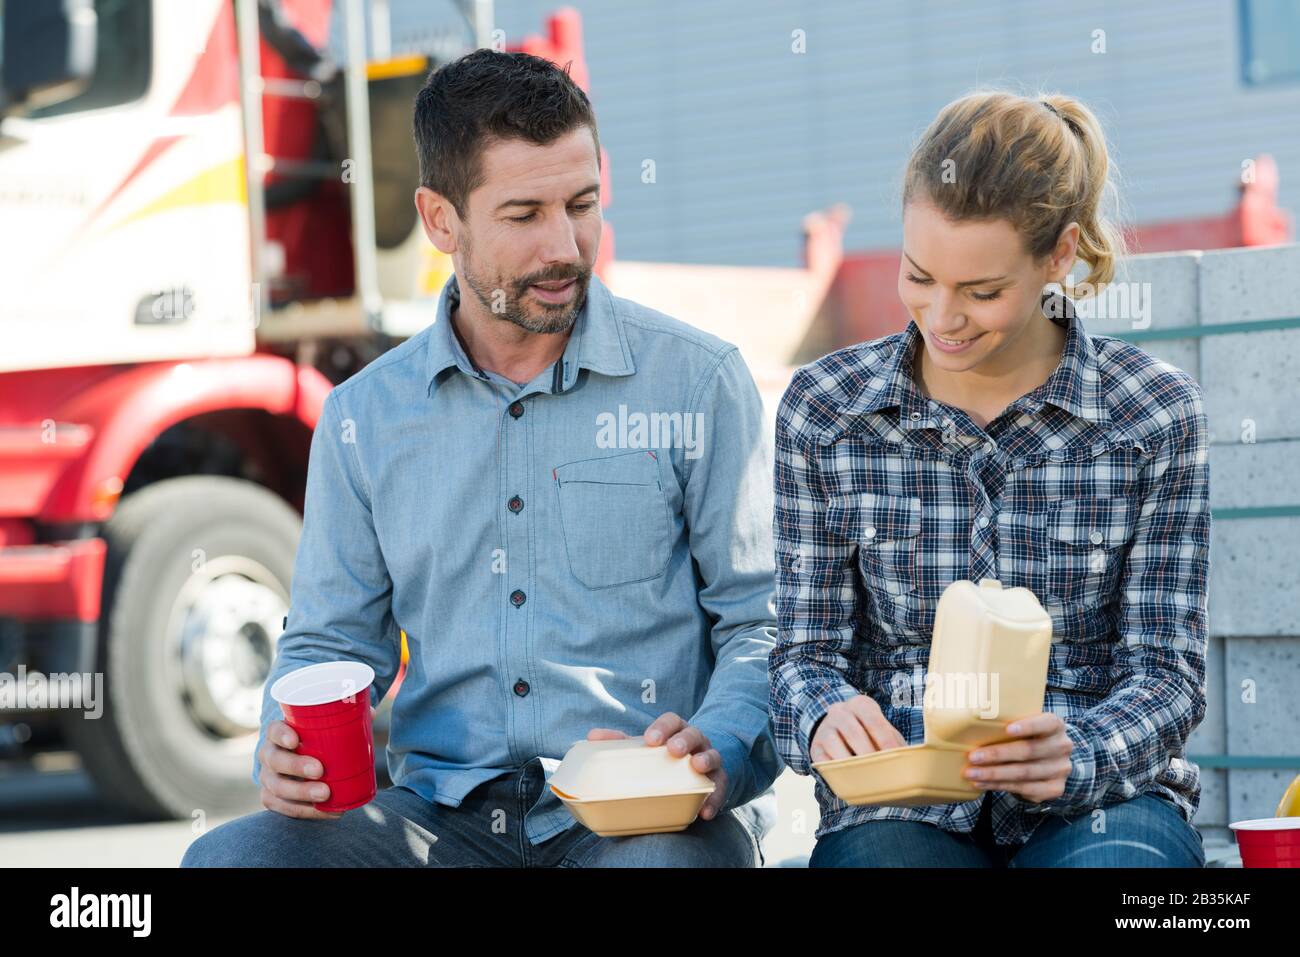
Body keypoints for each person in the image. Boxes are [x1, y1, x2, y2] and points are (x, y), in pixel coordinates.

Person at [183, 49, 779, 868]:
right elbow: (330, 643)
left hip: (647, 815)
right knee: (230, 862)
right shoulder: (364, 416)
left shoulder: (699, 383)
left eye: (582, 203)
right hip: (440, 816)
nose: (565, 246)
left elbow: (764, 623)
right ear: (440, 221)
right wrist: (282, 748)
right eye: (524, 214)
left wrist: (722, 743)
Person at [769, 90, 1209, 868]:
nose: (942, 317)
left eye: (982, 292)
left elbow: (1166, 676)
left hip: (1106, 801)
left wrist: (1082, 751)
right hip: (899, 804)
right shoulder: (826, 413)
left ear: (1059, 255)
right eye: (918, 275)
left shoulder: (1153, 416)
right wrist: (824, 716)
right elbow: (805, 655)